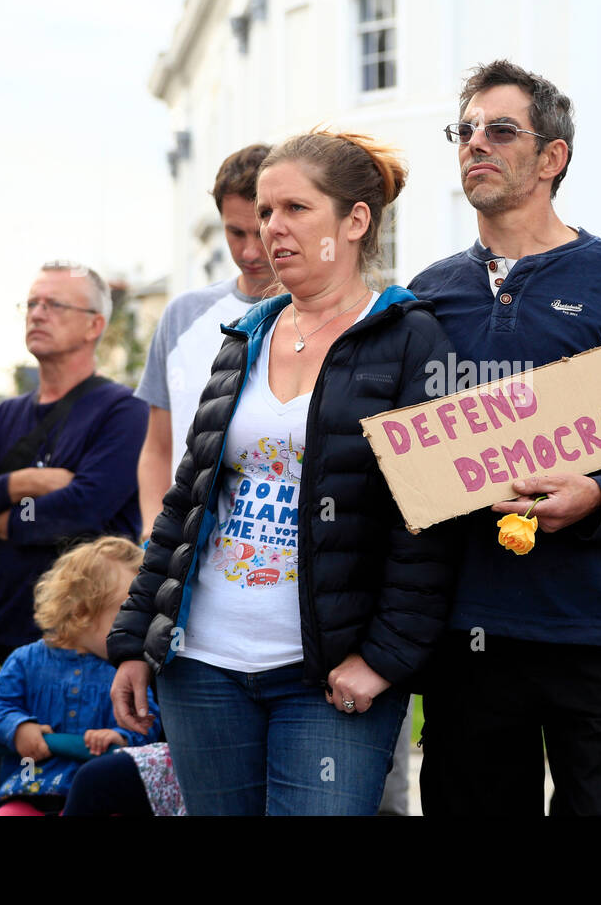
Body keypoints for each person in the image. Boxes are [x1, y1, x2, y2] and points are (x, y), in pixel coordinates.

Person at [107, 131, 456, 815]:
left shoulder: (413, 338)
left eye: (295, 208)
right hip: (201, 664)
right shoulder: (245, 337)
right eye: (265, 212)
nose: (272, 230)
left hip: (327, 674)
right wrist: (136, 638)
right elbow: (189, 498)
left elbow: (432, 525)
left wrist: (384, 659)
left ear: (355, 222)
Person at [409, 60, 601, 816]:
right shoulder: (426, 295)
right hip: (468, 637)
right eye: (465, 130)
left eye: (501, 129)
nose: (477, 143)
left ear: (551, 157)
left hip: (598, 635)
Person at [0, 262, 147, 815]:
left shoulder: (122, 412)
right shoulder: (4, 417)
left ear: (95, 325)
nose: (37, 314)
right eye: (30, 304)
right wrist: (23, 484)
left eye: (54, 304)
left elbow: (84, 508)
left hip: (90, 657)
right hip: (2, 652)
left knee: (84, 801)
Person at [136, 143, 279, 541]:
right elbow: (157, 446)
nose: (250, 251)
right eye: (235, 233)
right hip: (181, 546)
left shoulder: (319, 316)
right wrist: (151, 531)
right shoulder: (181, 315)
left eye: (260, 231)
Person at [0, 537, 160, 815]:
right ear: (81, 612)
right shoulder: (25, 661)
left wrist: (120, 736)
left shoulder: (125, 671)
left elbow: (148, 724)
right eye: (127, 616)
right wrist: (17, 728)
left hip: (97, 797)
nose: (139, 629)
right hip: (28, 789)